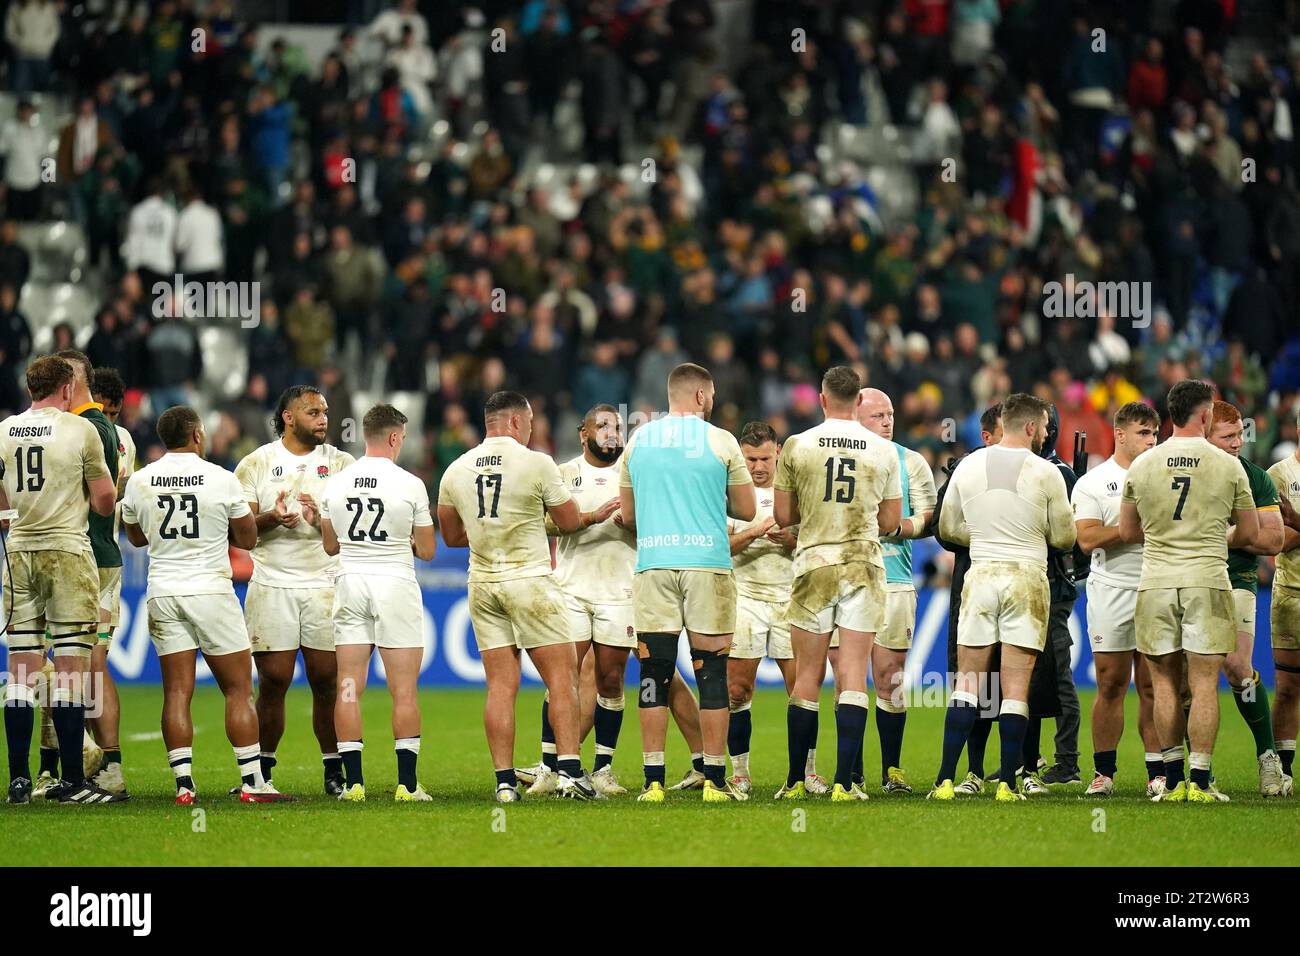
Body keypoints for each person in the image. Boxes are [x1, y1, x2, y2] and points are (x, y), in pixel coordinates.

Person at [517, 404, 708, 797]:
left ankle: (602, 768)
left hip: (621, 591)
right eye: (602, 426)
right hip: (570, 590)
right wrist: (589, 516)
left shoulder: (636, 473)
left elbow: (660, 521)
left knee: (611, 680)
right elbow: (546, 524)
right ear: (583, 433)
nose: (611, 433)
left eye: (617, 426)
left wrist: (632, 520)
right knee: (562, 679)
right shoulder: (563, 473)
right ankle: (550, 766)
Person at [122, 405, 292, 804]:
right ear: (197, 435)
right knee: (237, 689)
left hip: (163, 590)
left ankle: (184, 786)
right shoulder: (221, 478)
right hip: (211, 591)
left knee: (177, 692)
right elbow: (247, 540)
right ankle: (253, 783)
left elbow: (135, 537)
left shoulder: (141, 480)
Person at [437, 391, 598, 802]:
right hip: (529, 580)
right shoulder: (537, 462)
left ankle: (505, 783)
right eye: (527, 423)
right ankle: (570, 775)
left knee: (500, 687)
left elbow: (453, 536)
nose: (530, 429)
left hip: (483, 583)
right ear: (514, 422)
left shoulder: (456, 469)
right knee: (563, 679)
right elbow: (570, 520)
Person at [619, 363, 757, 802]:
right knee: (712, 673)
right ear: (700, 396)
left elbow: (629, 517)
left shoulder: (639, 440)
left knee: (652, 675)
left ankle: (653, 782)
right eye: (711, 395)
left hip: (655, 563)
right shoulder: (721, 440)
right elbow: (748, 510)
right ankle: (716, 783)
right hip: (707, 564)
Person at [931, 393, 1076, 802]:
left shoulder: (968, 465)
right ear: (1030, 427)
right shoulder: (1046, 473)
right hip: (1027, 578)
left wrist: (982, 536)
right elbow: (1065, 537)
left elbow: (948, 526)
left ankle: (945, 780)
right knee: (1015, 689)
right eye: (1045, 426)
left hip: (980, 576)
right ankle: (1009, 785)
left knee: (967, 684)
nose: (1047, 433)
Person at [1119, 380, 1259, 803]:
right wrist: (1215, 535)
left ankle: (1172, 780)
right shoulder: (1228, 466)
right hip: (1208, 580)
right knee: (1202, 684)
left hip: (1157, 580)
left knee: (1162, 683)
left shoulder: (1142, 465)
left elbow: (1127, 531)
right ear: (1205, 417)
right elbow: (1251, 532)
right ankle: (1199, 783)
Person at [773, 366, 901, 802]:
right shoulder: (883, 450)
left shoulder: (797, 445)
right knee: (852, 675)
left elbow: (783, 516)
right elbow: (890, 520)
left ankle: (794, 782)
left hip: (814, 564)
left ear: (822, 399)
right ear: (858, 401)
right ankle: (846, 784)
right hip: (863, 564)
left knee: (807, 676)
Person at [1, 356, 119, 804]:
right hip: (67, 552)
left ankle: (18, 780)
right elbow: (106, 501)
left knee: (21, 670)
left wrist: (14, 514)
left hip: (18, 554)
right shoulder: (80, 430)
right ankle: (73, 781)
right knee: (70, 668)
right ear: (67, 389)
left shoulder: (6, 428)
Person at [234, 385, 355, 796]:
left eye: (325, 411)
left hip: (326, 581)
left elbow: (351, 531)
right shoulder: (256, 463)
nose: (323, 418)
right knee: (274, 680)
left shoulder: (342, 463)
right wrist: (272, 517)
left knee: (326, 680)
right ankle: (261, 773)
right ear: (288, 417)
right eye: (313, 412)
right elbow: (241, 530)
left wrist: (319, 516)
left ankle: (333, 769)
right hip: (272, 582)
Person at [321, 403, 437, 802]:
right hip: (394, 584)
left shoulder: (335, 483)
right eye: (402, 438)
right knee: (403, 690)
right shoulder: (410, 484)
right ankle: (407, 786)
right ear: (392, 437)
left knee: (349, 687)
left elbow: (330, 544)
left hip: (350, 582)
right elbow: (427, 549)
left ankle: (354, 785)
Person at [1071, 401, 1164, 797]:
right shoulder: (1094, 482)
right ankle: (1104, 773)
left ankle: (1158, 773)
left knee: (1153, 686)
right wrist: (1133, 530)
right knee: (1110, 683)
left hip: (1157, 586)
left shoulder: (1164, 477)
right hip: (1111, 590)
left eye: (1155, 434)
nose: (1151, 441)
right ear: (1120, 434)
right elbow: (1087, 539)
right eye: (1144, 433)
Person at [855, 387, 936, 794]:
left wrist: (900, 527)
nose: (888, 421)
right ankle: (849, 773)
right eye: (877, 416)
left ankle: (891, 770)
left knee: (889, 678)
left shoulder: (912, 461)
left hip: (895, 581)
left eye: (890, 414)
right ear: (855, 418)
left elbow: (929, 516)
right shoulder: (839, 457)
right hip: (847, 580)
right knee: (849, 679)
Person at [1205, 400, 1285, 797]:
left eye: (1240, 434)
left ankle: (1268, 756)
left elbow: (1273, 538)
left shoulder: (1255, 478)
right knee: (1187, 676)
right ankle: (1196, 771)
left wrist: (1228, 536)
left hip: (1236, 578)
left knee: (1237, 667)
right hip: (1189, 579)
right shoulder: (1188, 472)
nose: (1239, 442)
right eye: (1229, 436)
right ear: (1205, 435)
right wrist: (1243, 531)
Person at [726, 421, 808, 795]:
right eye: (750, 459)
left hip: (792, 599)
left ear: (778, 453)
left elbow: (813, 541)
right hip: (745, 598)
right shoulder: (729, 495)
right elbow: (721, 547)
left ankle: (808, 772)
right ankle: (739, 772)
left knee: (801, 689)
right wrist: (754, 532)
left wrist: (791, 539)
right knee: (738, 691)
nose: (758, 466)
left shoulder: (797, 490)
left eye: (764, 458)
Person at [926, 402, 1003, 795]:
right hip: (971, 582)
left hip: (1012, 585)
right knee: (971, 679)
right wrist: (988, 536)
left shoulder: (1032, 470)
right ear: (987, 437)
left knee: (1009, 681)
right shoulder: (965, 471)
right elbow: (942, 529)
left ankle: (1014, 769)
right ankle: (971, 770)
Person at [1268, 413, 1300, 796]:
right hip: (1291, 592)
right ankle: (1283, 770)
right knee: (1289, 687)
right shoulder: (1278, 475)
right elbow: (1277, 539)